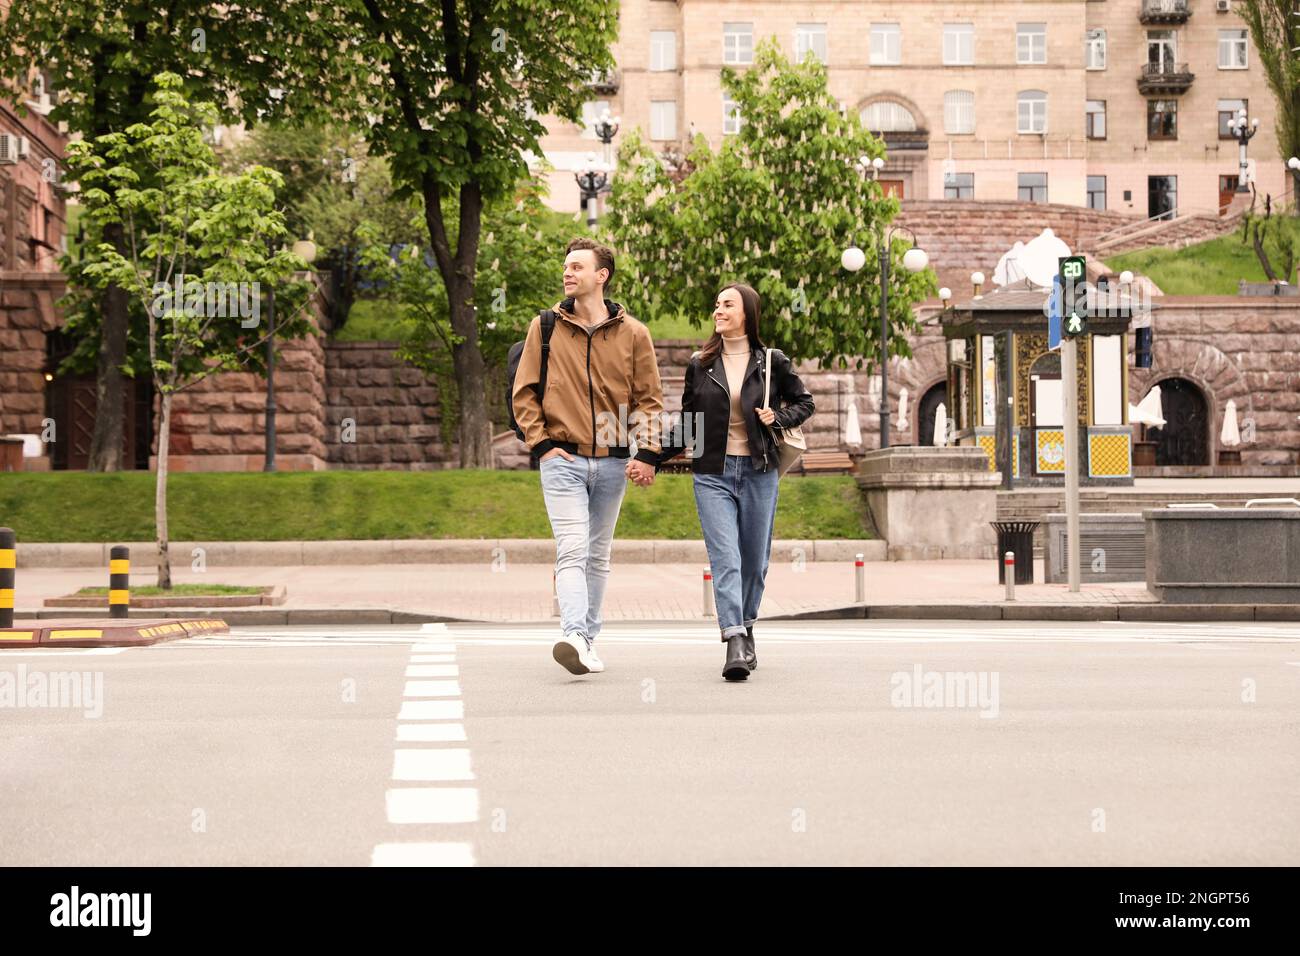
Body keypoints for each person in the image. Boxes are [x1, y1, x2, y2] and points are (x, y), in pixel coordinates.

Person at [512, 238, 663, 676]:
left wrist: (648, 452)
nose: (567, 273)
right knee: (573, 549)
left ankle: (587, 641)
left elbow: (649, 400)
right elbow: (524, 392)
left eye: (577, 266)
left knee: (598, 556)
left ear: (602, 275)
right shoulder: (544, 327)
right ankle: (574, 632)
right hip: (562, 458)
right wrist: (541, 444)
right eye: (565, 267)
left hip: (614, 461)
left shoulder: (634, 334)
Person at [652, 283, 814, 681]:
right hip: (713, 474)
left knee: (754, 562)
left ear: (747, 314)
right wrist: (649, 458)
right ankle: (734, 640)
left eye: (727, 304)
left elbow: (805, 402)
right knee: (726, 559)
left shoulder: (772, 361)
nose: (718, 310)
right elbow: (689, 423)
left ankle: (747, 625)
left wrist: (778, 417)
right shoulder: (699, 364)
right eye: (717, 304)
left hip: (759, 471)